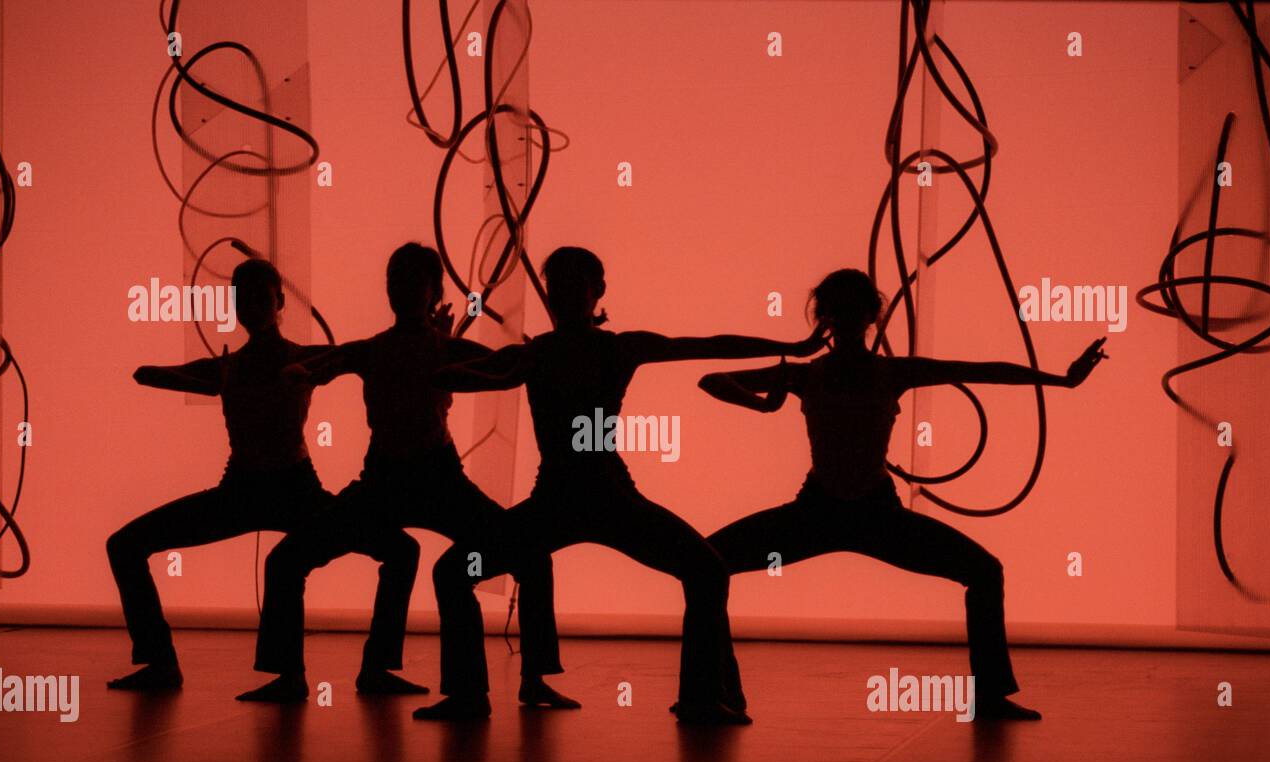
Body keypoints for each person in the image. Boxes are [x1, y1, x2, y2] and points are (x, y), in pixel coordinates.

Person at [419, 246, 826, 725]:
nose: (565, 295)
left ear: (597, 292)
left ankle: (701, 698)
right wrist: (456, 353)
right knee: (452, 572)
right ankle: (468, 696)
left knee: (707, 571)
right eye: (558, 287)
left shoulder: (611, 348)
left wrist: (793, 348)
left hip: (607, 498)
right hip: (559, 502)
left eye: (576, 285)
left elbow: (704, 344)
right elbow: (455, 378)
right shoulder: (538, 354)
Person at [700, 268, 1109, 720]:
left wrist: (1060, 380)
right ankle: (718, 693)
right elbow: (714, 380)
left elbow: (980, 371)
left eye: (854, 310)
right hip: (817, 512)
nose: (848, 319)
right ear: (826, 318)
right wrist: (765, 398)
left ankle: (990, 695)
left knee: (984, 572)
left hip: (876, 515)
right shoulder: (806, 374)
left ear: (869, 316)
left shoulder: (891, 372)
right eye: (840, 311)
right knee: (707, 562)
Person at [239, 243, 568, 708]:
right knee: (288, 560)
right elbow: (327, 364)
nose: (403, 290)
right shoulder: (377, 349)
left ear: (433, 292)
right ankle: (314, 674)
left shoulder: (443, 347)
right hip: (382, 484)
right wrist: (300, 371)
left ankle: (526, 681)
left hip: (439, 480)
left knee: (530, 556)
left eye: (414, 282)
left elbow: (509, 368)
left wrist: (538, 357)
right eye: (396, 281)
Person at [106, 258, 420, 694]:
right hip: (240, 491)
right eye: (241, 297)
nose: (250, 304)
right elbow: (151, 375)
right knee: (124, 545)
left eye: (260, 296)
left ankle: (367, 670)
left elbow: (363, 355)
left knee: (401, 550)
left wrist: (419, 335)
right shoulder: (228, 368)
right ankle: (161, 663)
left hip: (297, 491)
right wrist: (180, 375)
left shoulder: (304, 360)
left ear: (279, 302)